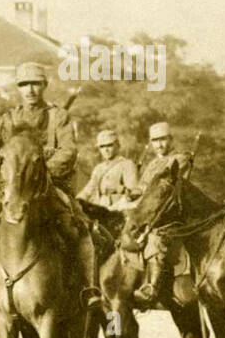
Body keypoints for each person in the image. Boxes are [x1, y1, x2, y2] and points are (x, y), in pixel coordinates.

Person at [0, 61, 99, 309]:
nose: (30, 90)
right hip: (11, 188)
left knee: (77, 226)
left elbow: (68, 152)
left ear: (44, 85)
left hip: (49, 185)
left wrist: (41, 173)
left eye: (35, 84)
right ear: (18, 89)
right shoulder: (9, 119)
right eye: (24, 84)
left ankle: (88, 287)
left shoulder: (59, 116)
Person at [131, 122, 194, 304]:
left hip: (172, 213)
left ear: (171, 139)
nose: (159, 145)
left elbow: (165, 185)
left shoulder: (179, 159)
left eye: (163, 140)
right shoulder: (152, 164)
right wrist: (134, 191)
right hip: (154, 211)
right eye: (155, 141)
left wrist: (144, 190)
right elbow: (143, 185)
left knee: (156, 238)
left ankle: (152, 286)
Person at [77, 130, 139, 211]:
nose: (106, 150)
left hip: (119, 210)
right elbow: (88, 190)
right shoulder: (99, 168)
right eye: (102, 146)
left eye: (109, 145)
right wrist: (76, 201)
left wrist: (117, 188)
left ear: (117, 145)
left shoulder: (127, 164)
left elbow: (132, 193)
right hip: (100, 209)